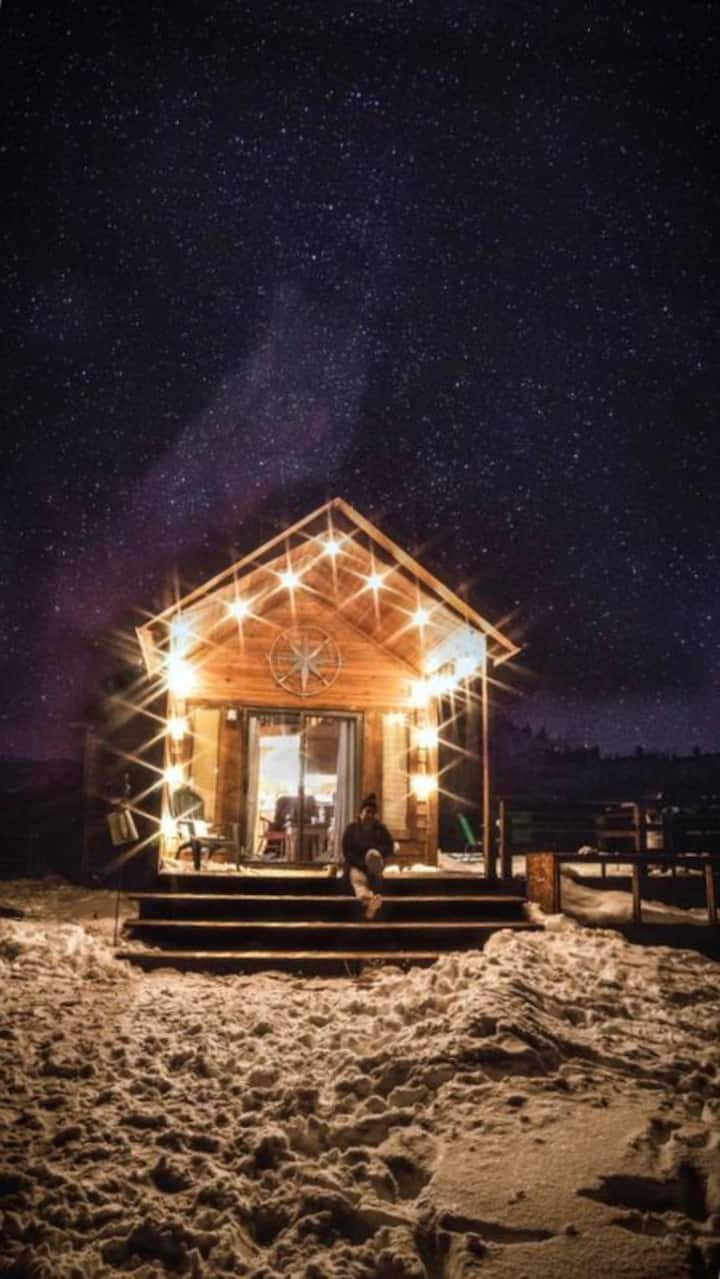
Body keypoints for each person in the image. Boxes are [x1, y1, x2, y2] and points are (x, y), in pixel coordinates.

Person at [341, 793, 393, 920]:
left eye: (373, 813)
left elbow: (389, 847)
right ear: (360, 813)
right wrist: (362, 864)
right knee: (358, 880)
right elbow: (347, 851)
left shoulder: (381, 829)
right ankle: (370, 901)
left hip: (374, 867)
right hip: (356, 865)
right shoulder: (351, 829)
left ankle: (370, 904)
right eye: (367, 811)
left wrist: (376, 856)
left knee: (375, 878)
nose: (370, 815)